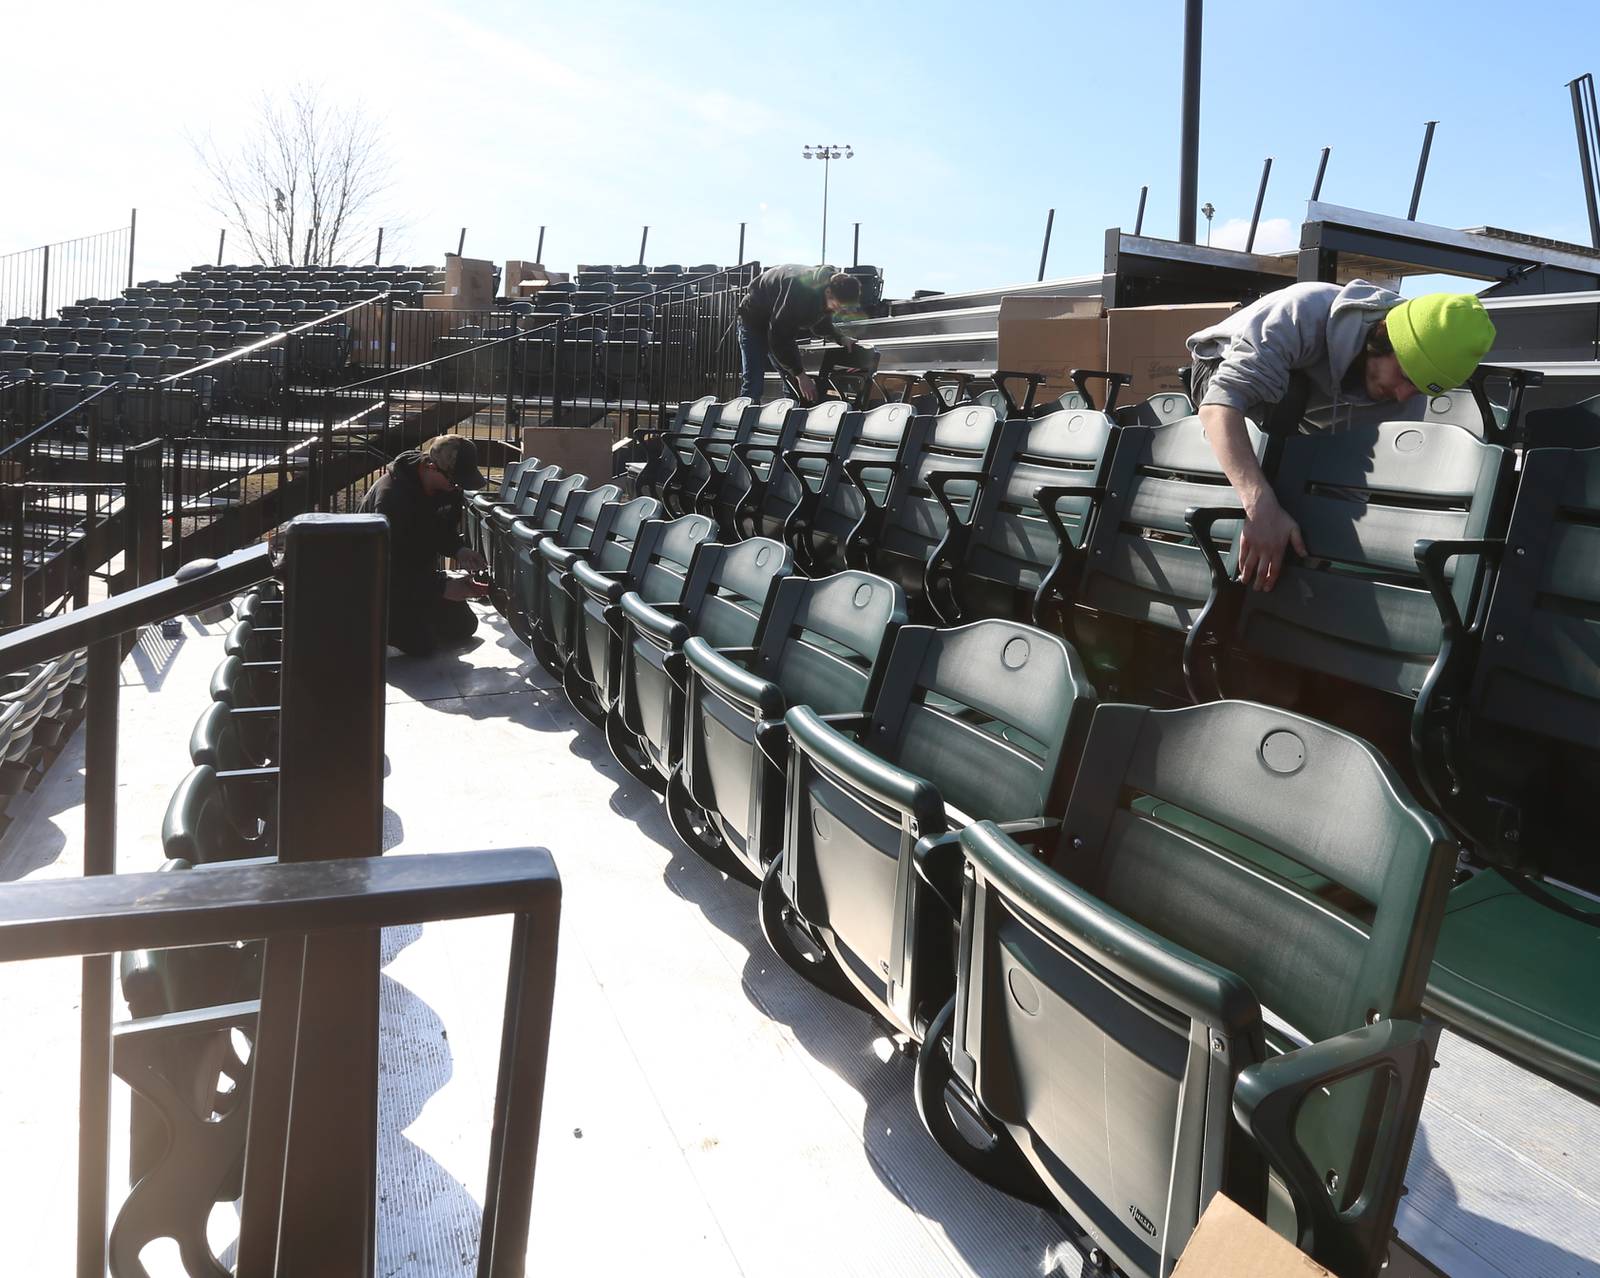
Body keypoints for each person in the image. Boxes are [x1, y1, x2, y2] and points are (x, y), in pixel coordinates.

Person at [1187, 282, 1495, 592]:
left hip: (1303, 413)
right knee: (1285, 408)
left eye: (1418, 389)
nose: (1403, 394)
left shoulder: (1402, 398)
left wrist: (1323, 557)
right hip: (1219, 367)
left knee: (1315, 488)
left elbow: (1350, 489)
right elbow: (1219, 406)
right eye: (1404, 376)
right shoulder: (1303, 312)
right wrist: (1260, 505)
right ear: (1384, 338)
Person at [358, 434, 490, 656]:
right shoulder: (392, 498)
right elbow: (391, 566)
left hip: (417, 576)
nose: (456, 488)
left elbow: (440, 530)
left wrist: (459, 550)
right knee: (423, 643)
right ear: (430, 466)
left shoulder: (447, 490)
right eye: (454, 481)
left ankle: (417, 614)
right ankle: (375, 625)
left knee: (463, 625)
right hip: (382, 584)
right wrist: (440, 587)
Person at [736, 265, 868, 402]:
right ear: (828, 292)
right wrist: (800, 375)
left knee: (794, 383)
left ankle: (792, 410)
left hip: (778, 323)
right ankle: (746, 412)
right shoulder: (799, 290)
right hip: (753, 320)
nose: (838, 311)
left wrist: (841, 338)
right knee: (754, 383)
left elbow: (820, 323)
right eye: (838, 306)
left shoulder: (826, 289)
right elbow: (778, 336)